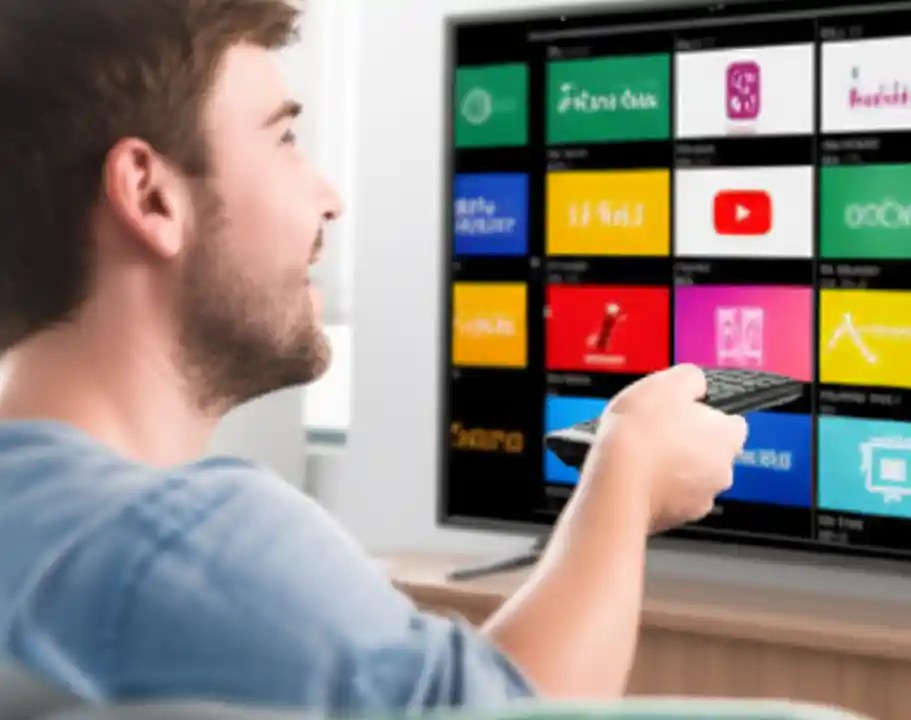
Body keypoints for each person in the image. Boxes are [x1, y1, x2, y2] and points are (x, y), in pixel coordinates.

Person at [0, 0, 748, 714]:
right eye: (284, 138)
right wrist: (629, 474)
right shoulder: (180, 538)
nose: (329, 199)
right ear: (151, 195)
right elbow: (513, 718)